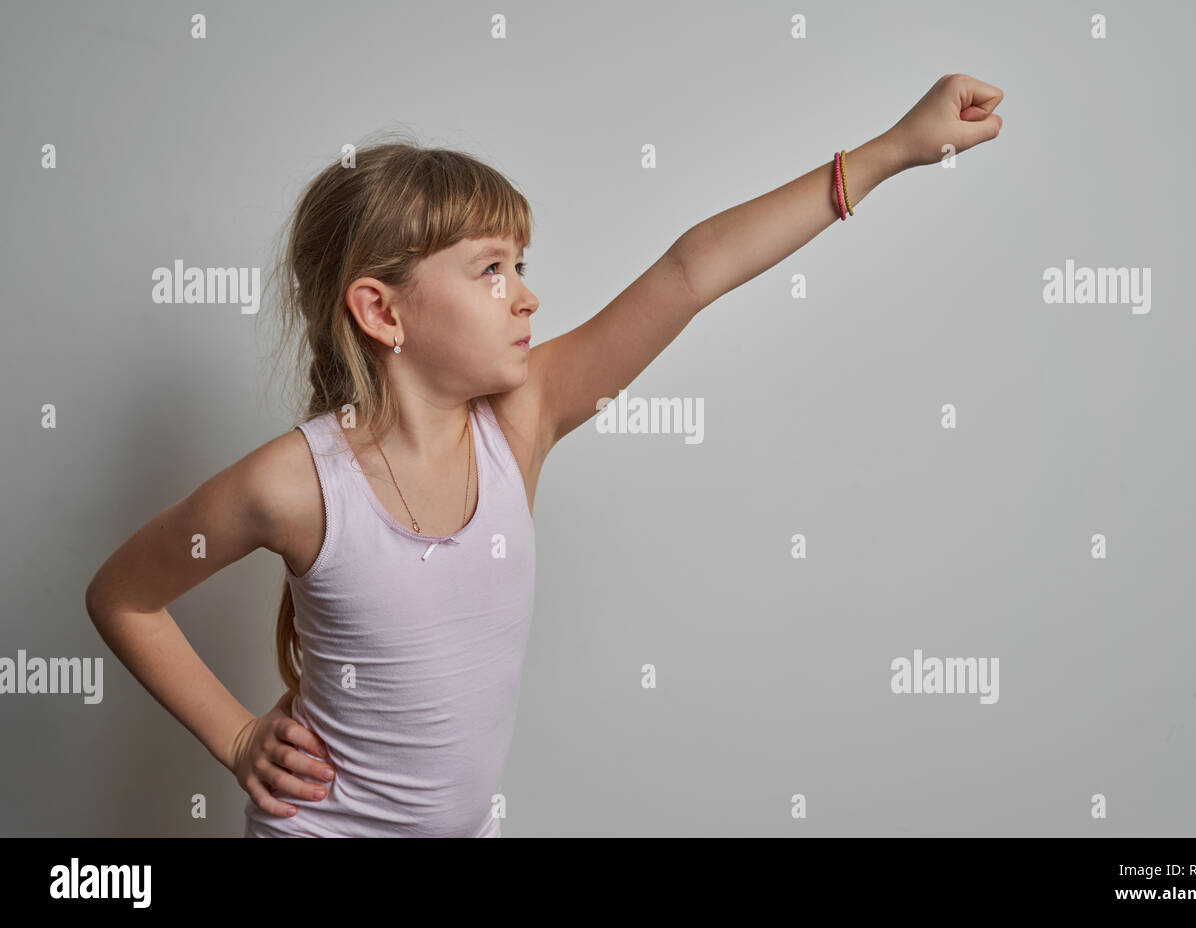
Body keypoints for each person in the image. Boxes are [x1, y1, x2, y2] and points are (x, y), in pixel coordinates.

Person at [84, 74, 1004, 837]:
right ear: (383, 311)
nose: (526, 297)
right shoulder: (293, 484)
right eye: (491, 269)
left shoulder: (520, 422)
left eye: (522, 265)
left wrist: (889, 151)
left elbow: (693, 271)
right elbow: (123, 596)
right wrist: (240, 737)